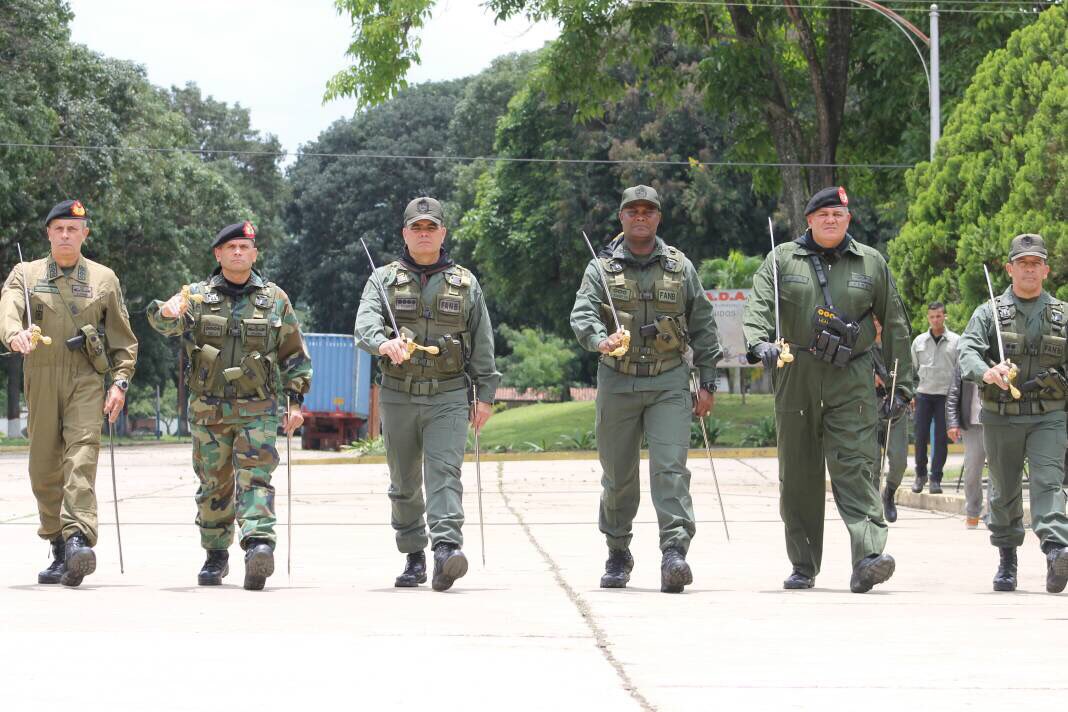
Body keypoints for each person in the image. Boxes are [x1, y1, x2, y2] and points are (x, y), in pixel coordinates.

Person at [743, 186, 914, 593]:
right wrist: (759, 343)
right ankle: (803, 564)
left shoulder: (871, 263)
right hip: (795, 372)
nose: (831, 220)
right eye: (823, 215)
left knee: (856, 467)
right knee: (798, 474)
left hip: (851, 377)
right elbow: (759, 307)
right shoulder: (781, 258)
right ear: (809, 220)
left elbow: (895, 326)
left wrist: (901, 385)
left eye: (838, 214)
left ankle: (868, 557)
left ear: (848, 219)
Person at [570, 184, 722, 594]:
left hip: (669, 379)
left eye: (648, 211)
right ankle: (618, 551)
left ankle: (674, 553)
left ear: (658, 217)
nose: (640, 217)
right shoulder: (600, 268)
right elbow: (583, 311)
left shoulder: (679, 267)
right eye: (632, 210)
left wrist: (707, 381)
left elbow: (704, 324)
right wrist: (598, 338)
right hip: (617, 379)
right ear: (621, 217)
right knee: (618, 475)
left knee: (670, 469)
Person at [148, 220, 311, 591]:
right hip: (209, 410)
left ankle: (258, 546)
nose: (238, 253)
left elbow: (293, 354)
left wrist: (296, 401)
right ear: (218, 254)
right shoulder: (196, 296)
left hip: (260, 410)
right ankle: (215, 554)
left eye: (245, 247)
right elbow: (163, 322)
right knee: (213, 485)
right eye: (231, 248)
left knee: (256, 479)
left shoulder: (275, 299)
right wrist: (167, 311)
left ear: (254, 254)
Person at [355, 197, 500, 592]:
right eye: (416, 228)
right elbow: (365, 322)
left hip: (449, 394)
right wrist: (383, 343)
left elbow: (483, 342)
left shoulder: (466, 283)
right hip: (398, 394)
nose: (423, 234)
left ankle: (446, 549)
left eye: (430, 227)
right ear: (405, 233)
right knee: (403, 482)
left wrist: (484, 394)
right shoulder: (382, 280)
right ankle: (414, 553)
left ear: (442, 233)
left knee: (444, 474)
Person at [0, 199, 138, 587]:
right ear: (48, 233)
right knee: (43, 467)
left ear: (84, 234)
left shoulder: (103, 279)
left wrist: (120, 382)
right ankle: (59, 544)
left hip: (85, 379)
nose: (65, 234)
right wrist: (15, 334)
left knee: (81, 455)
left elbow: (123, 341)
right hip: (41, 375)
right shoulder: (24, 274)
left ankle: (79, 538)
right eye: (58, 228)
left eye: (72, 229)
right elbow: (8, 309)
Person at [956, 233, 1068, 593]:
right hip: (1001, 416)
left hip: (1048, 416)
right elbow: (968, 350)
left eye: (1036, 263)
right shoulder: (988, 312)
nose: (1030, 270)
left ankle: (1055, 551)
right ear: (1010, 268)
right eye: (1023, 263)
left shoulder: (1062, 314)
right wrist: (985, 371)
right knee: (1003, 490)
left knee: (1048, 481)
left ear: (1046, 269)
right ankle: (1007, 558)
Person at [910, 302, 958, 494]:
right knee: (920, 436)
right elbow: (912, 370)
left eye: (939, 316)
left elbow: (959, 373)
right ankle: (920, 475)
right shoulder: (919, 341)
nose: (935, 320)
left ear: (945, 316)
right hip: (923, 394)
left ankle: (935, 478)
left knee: (940, 438)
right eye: (932, 317)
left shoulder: (956, 341)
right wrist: (912, 393)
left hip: (945, 397)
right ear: (928, 318)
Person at [873, 317, 911, 523]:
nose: (877, 323)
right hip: (870, 408)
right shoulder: (861, 344)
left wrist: (904, 396)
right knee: (873, 463)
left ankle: (889, 493)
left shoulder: (897, 344)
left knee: (899, 461)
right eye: (873, 319)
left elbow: (911, 375)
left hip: (896, 410)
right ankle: (873, 507)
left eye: (880, 319)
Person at [946, 362, 988, 528]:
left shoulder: (1000, 355)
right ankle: (972, 512)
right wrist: (952, 423)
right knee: (972, 470)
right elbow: (953, 394)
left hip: (996, 422)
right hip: (971, 424)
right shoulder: (964, 360)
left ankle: (994, 514)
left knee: (998, 472)